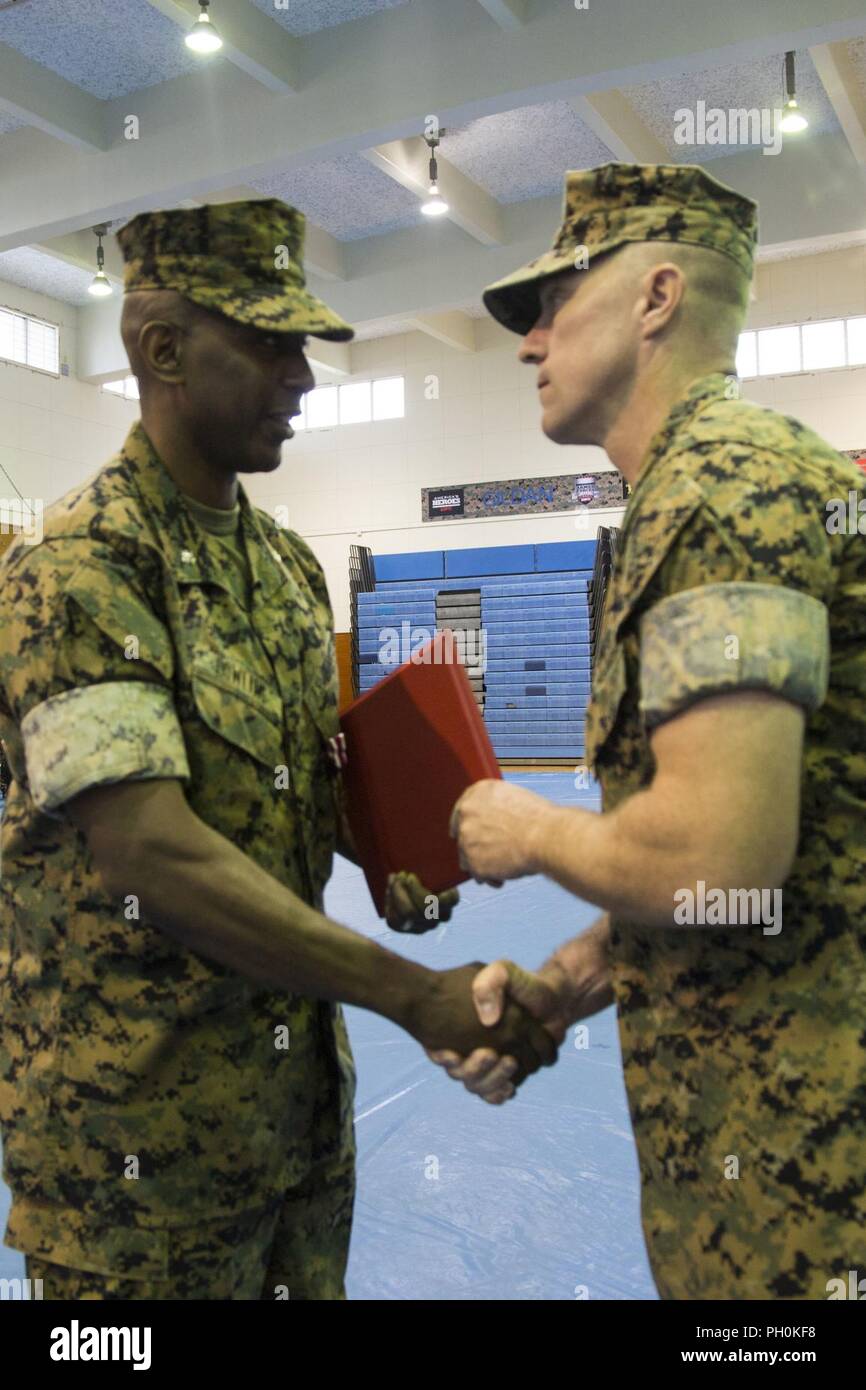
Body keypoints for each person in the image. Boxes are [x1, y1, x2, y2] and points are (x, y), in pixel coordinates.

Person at [0, 199, 556, 1301]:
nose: (301, 375)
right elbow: (145, 853)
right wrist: (410, 992)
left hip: (292, 1127)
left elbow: (311, 783)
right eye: (266, 342)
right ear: (161, 350)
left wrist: (393, 859)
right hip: (137, 1170)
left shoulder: (288, 569)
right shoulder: (80, 567)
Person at [433, 162, 866, 1300]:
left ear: (655, 298)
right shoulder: (720, 480)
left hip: (806, 1180)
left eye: (549, 305)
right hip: (771, 1142)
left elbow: (714, 855)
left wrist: (525, 828)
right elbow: (770, 872)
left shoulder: (717, 487)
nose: (527, 344)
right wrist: (566, 983)